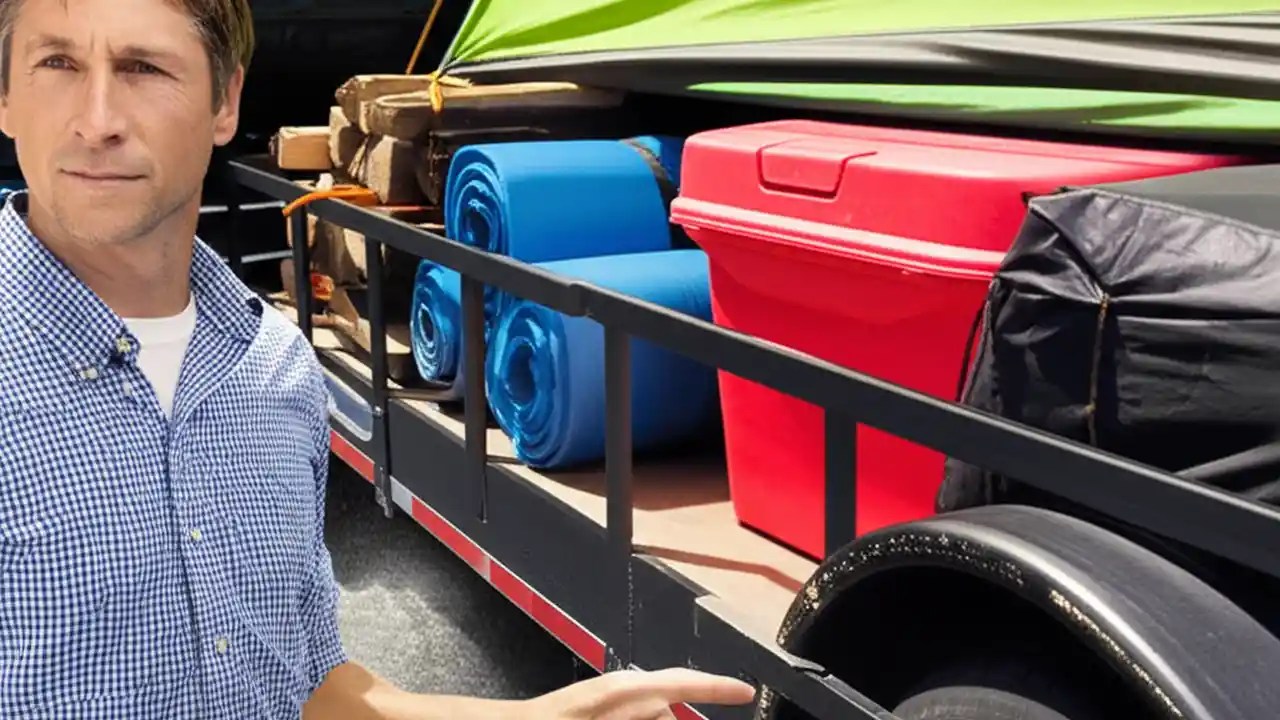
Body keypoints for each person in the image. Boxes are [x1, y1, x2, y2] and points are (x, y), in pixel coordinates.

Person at [0, 0, 758, 718]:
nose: (96, 120)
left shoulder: (276, 373)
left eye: (143, 68)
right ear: (5, 96)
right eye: (57, 63)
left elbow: (312, 689)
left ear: (224, 103)